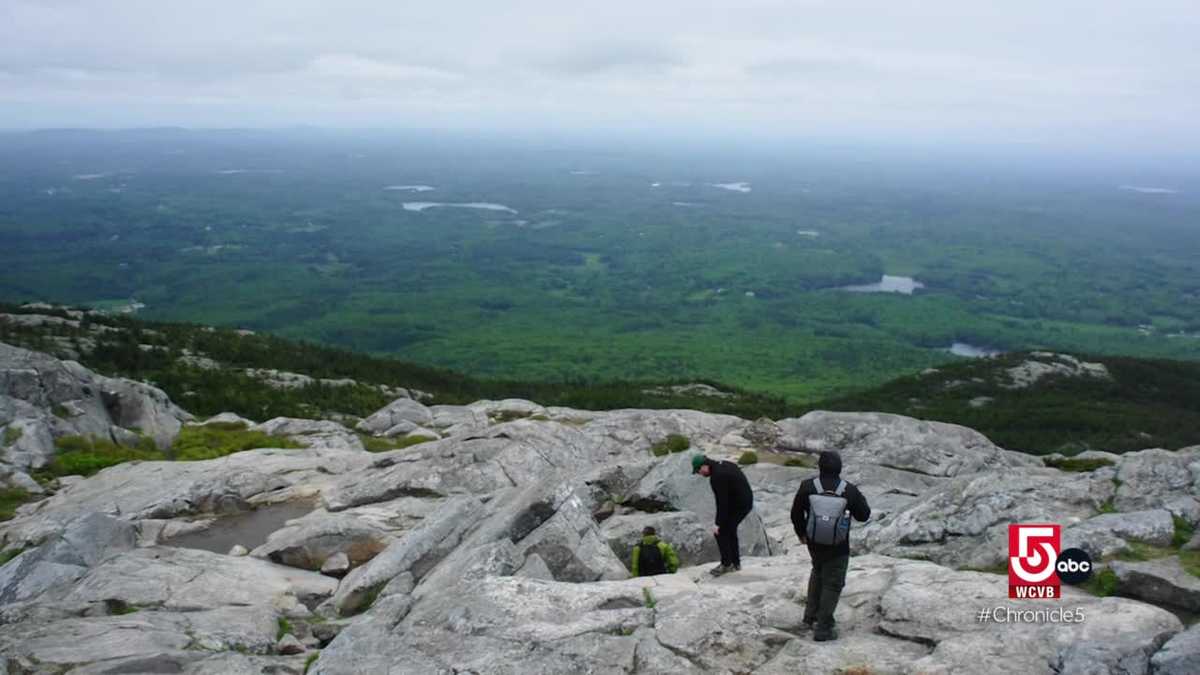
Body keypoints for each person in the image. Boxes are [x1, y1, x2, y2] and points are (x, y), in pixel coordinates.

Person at [790, 450, 871, 642]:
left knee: (818, 573)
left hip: (814, 543)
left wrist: (802, 534)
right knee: (833, 583)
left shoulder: (808, 486)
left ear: (819, 467)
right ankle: (823, 628)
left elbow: (795, 513)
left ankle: (809, 618)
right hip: (838, 545)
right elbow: (864, 515)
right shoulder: (849, 490)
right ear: (840, 468)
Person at [692, 454, 754, 576]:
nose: (700, 474)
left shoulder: (717, 477)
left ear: (704, 466)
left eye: (698, 471)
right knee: (730, 529)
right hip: (744, 501)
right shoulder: (725, 464)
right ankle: (735, 563)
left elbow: (722, 502)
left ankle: (726, 564)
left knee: (720, 532)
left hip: (738, 505)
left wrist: (717, 523)